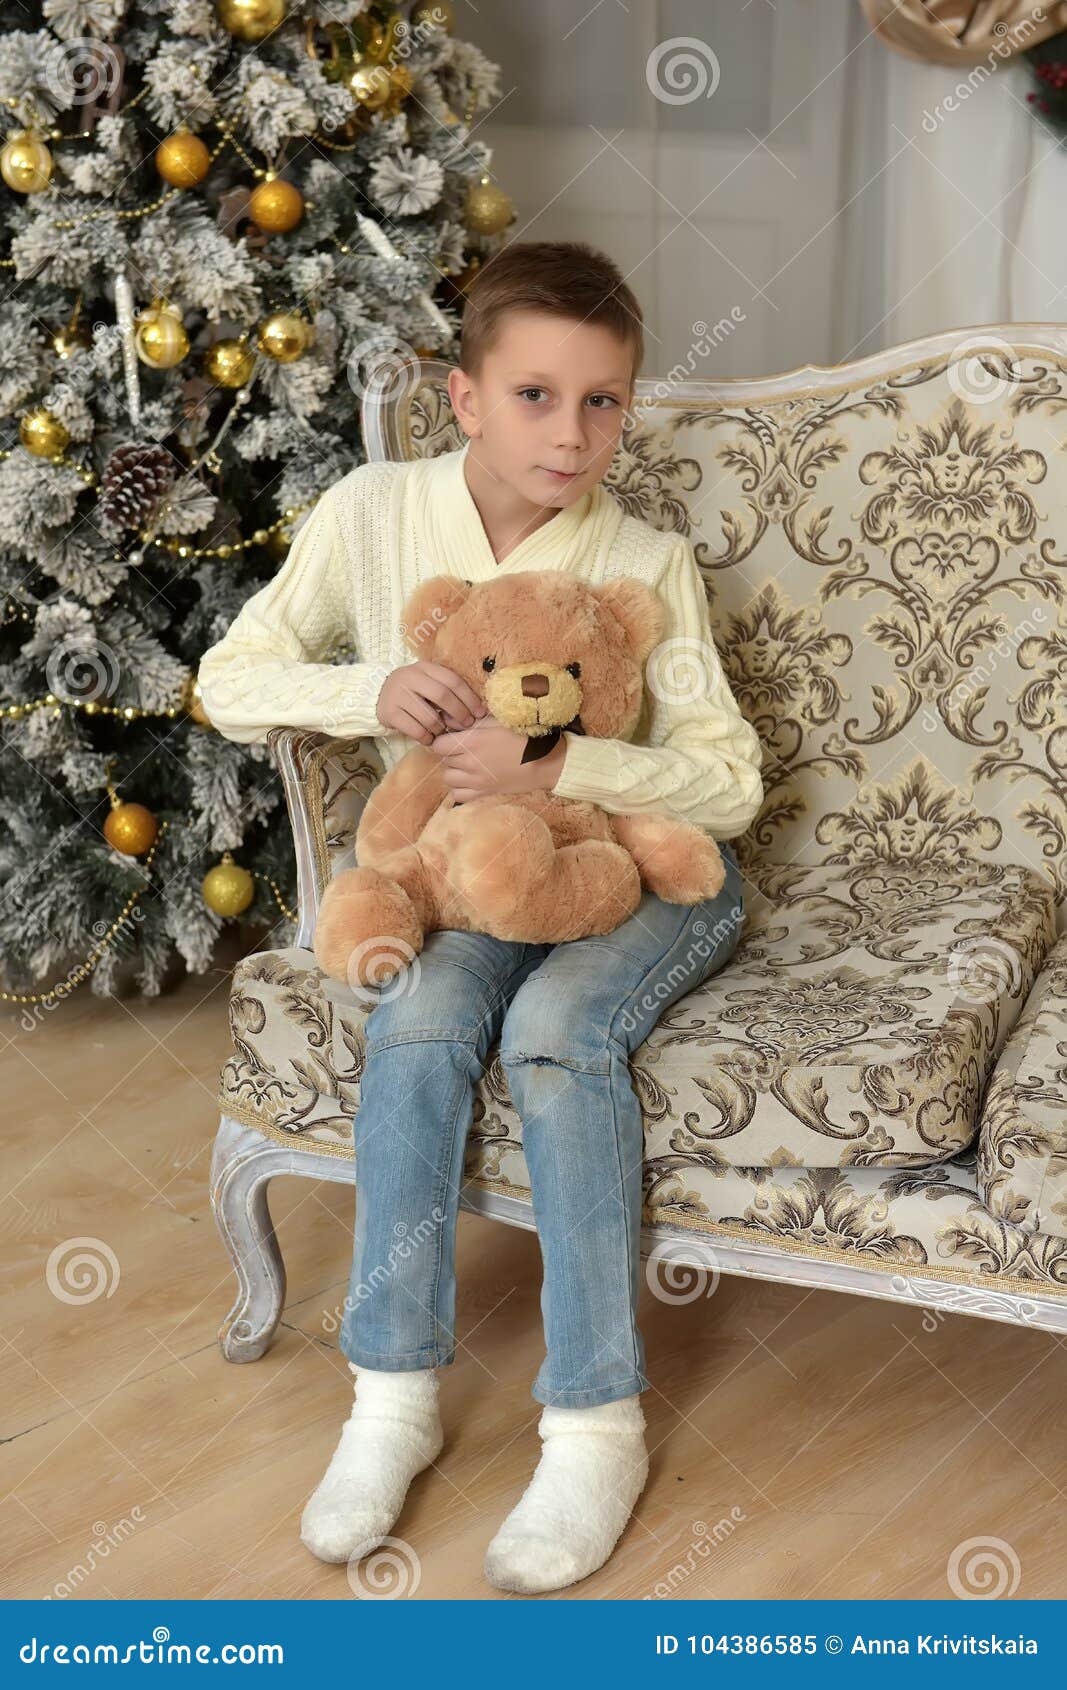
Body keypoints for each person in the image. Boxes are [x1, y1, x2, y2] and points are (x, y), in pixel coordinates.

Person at [198, 238, 763, 1594]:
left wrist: (571, 766)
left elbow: (732, 781)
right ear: (464, 397)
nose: (572, 435)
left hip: (647, 865)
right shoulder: (373, 510)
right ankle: (389, 1400)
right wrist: (372, 689)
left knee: (560, 1029)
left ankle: (593, 1424)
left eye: (604, 400)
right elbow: (231, 674)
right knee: (425, 1014)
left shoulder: (644, 556)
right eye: (534, 396)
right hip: (483, 873)